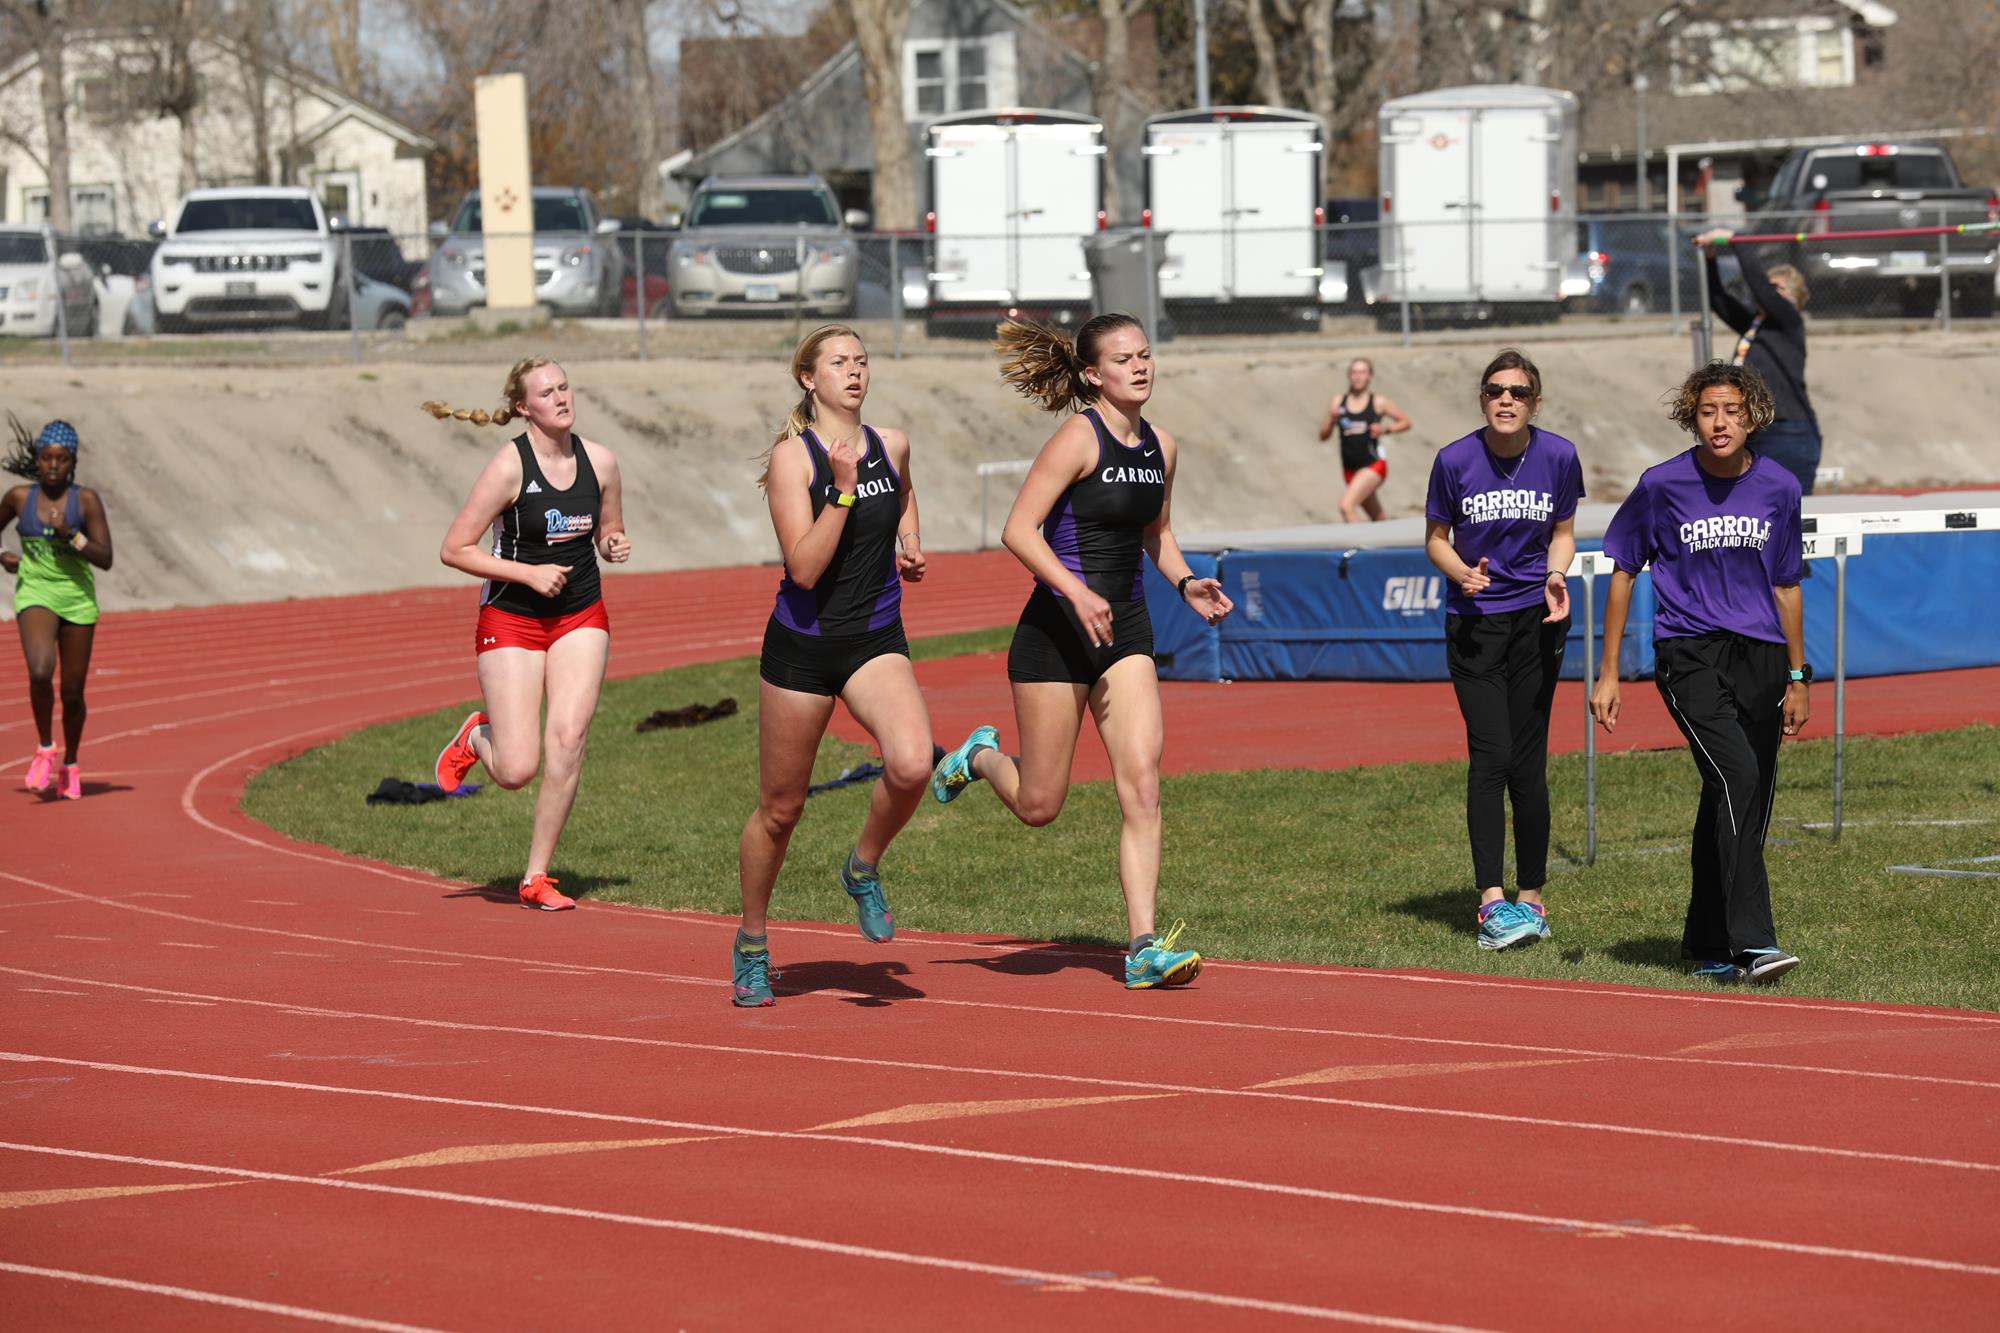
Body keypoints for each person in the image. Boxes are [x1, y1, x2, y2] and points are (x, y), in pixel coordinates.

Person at [931, 314, 1234, 990]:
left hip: (1126, 634)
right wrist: (1076, 592)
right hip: (1057, 633)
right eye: (1124, 359)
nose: (1140, 366)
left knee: (1143, 784)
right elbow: (1018, 529)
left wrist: (1186, 582)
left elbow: (1157, 534)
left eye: (1145, 354)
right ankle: (978, 757)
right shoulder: (1077, 437)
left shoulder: (1162, 446)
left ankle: (1143, 947)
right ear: (1093, 374)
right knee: (1040, 805)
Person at [731, 325, 931, 1008]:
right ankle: (752, 942)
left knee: (912, 764)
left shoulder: (892, 443)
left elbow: (903, 491)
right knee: (781, 810)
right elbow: (805, 568)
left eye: (861, 361)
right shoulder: (795, 459)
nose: (854, 371)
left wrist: (909, 539)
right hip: (804, 646)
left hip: (874, 637)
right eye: (838, 362)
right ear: (808, 378)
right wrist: (842, 490)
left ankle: (862, 866)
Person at [1591, 362, 1809, 984]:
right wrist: (1608, 672)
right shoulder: (1661, 485)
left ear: (1752, 416)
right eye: (1709, 410)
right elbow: (1623, 571)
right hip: (1689, 654)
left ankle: (1708, 943)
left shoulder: (1780, 487)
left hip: (1762, 657)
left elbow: (1787, 586)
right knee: (1737, 775)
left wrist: (1798, 676)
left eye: (1732, 411)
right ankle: (1755, 943)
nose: (1720, 422)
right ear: (1692, 416)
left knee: (1739, 796)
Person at [424, 358, 630, 911]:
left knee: (568, 739)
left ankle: (536, 876)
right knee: (517, 769)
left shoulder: (601, 462)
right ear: (523, 407)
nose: (561, 398)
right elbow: (454, 549)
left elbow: (608, 529)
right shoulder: (509, 467)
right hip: (512, 617)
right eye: (546, 392)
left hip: (580, 614)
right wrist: (528, 574)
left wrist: (613, 544)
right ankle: (476, 736)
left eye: (564, 387)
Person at [1422, 351, 1582, 950]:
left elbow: (1563, 533)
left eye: (1517, 391)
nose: (1505, 400)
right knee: (1491, 756)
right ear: (1482, 399)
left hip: (1538, 621)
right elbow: (1436, 539)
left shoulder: (1559, 456)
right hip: (1475, 623)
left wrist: (1556, 575)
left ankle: (1532, 898)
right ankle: (1492, 902)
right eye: (1494, 390)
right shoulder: (1454, 460)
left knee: (1528, 763)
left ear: (1535, 402)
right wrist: (1462, 572)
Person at [1, 417, 113, 800]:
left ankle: (71, 763)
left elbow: (105, 558)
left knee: (72, 693)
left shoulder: (86, 501)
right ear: (37, 459)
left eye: (61, 459)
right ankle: (45, 747)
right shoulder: (19, 498)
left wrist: (72, 534)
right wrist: (2, 555)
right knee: (39, 671)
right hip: (35, 592)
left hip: (77, 598)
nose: (53, 465)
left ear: (72, 463)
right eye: (47, 458)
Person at [1696, 229, 1820, 494]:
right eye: (1770, 286)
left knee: (1788, 511)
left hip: (1788, 431)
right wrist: (1710, 258)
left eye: (1778, 288)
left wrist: (1737, 239)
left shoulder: (1789, 321)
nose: (1769, 293)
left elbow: (1762, 290)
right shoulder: (1755, 324)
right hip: (1757, 429)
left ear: (1794, 298)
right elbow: (1719, 300)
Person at [1317, 356, 1412, 522]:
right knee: (1378, 518)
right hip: (1349, 470)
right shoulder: (1338, 401)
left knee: (1346, 506)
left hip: (1373, 465)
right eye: (1354, 372)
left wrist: (1385, 429)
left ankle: (1356, 540)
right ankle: (1388, 536)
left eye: (1362, 372)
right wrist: (1331, 418)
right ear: (1349, 375)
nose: (1357, 377)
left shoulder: (1378, 402)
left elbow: (1406, 422)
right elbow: (1323, 436)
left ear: (1369, 376)